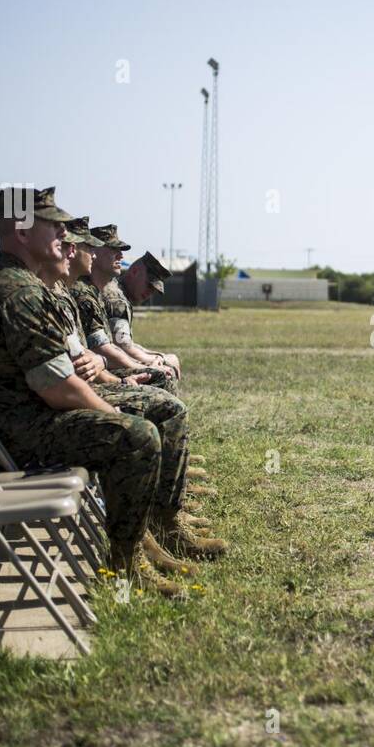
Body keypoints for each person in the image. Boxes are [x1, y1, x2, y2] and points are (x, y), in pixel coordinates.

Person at [0, 187, 190, 596]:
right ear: (22, 230)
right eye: (55, 226)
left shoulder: (23, 284)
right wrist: (114, 413)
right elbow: (60, 390)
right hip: (21, 433)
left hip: (25, 418)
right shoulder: (18, 292)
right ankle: (126, 564)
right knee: (135, 436)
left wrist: (107, 384)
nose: (65, 237)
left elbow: (65, 372)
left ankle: (158, 527)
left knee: (163, 409)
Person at [45, 217, 223, 561]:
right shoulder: (53, 294)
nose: (71, 249)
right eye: (79, 245)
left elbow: (84, 358)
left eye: (75, 243)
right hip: (38, 426)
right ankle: (140, 543)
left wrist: (116, 373)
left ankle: (163, 514)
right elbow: (66, 375)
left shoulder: (65, 294)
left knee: (161, 403)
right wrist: (120, 386)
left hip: (70, 397)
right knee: (147, 421)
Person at [79, 226, 180, 394]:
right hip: (98, 372)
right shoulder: (116, 299)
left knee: (164, 363)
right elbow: (121, 345)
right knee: (164, 371)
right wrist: (150, 363)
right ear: (134, 271)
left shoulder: (103, 291)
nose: (150, 292)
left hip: (101, 366)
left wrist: (155, 357)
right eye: (149, 284)